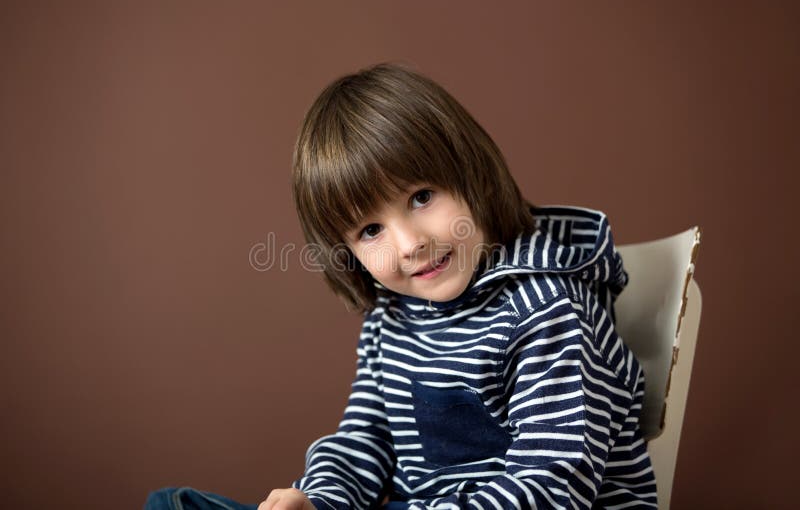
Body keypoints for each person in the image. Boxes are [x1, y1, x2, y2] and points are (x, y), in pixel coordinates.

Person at [145, 63, 657, 509]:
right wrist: (320, 499)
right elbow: (367, 440)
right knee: (171, 504)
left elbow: (552, 483)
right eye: (371, 231)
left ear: (471, 173)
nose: (410, 243)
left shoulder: (548, 309)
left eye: (421, 196)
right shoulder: (390, 321)